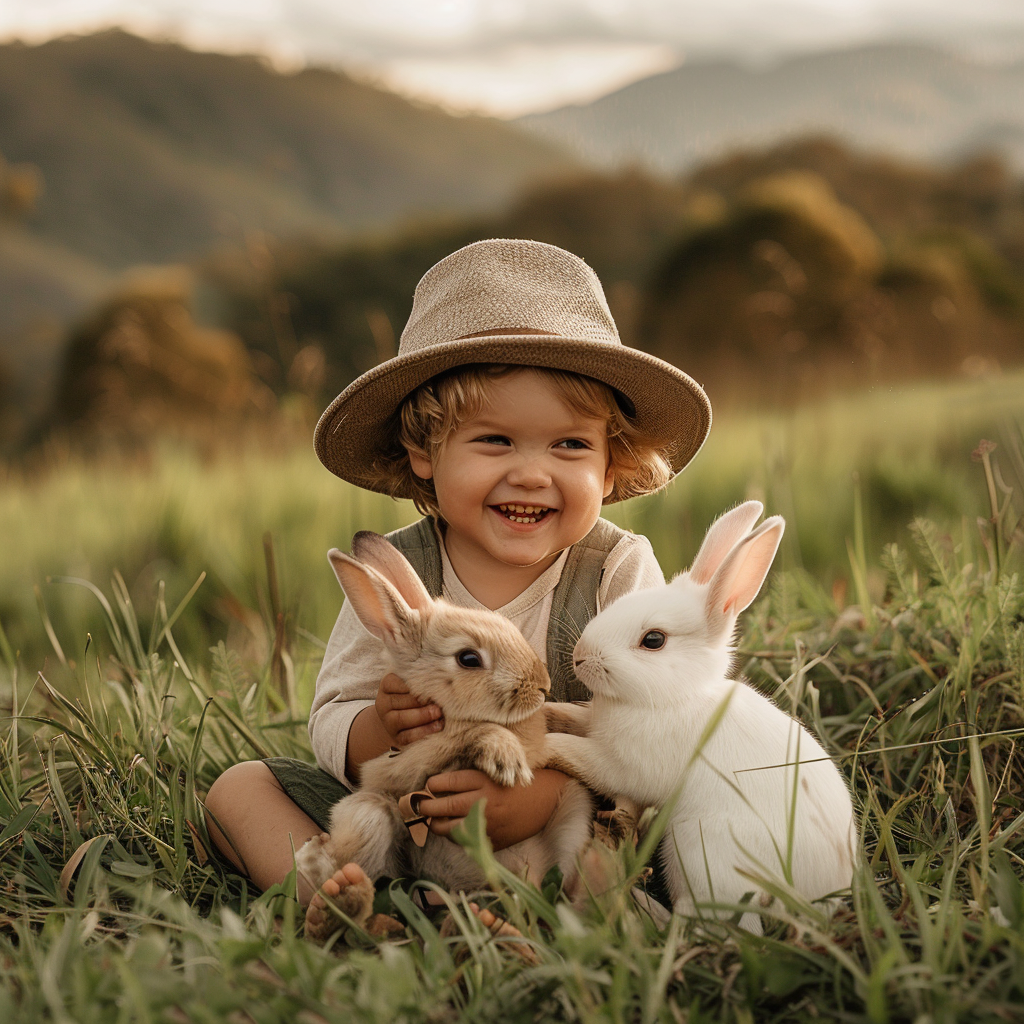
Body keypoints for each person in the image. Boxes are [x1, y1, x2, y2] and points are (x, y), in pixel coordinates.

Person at [205, 238, 711, 935]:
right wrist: (380, 727)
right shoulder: (403, 583)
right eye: (495, 441)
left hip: (565, 821)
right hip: (411, 830)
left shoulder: (616, 570)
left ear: (611, 463)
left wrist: (548, 791)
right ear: (423, 453)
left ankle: (542, 915)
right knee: (241, 790)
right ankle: (355, 905)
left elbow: (659, 722)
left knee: (671, 811)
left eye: (569, 445)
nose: (532, 473)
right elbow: (331, 718)